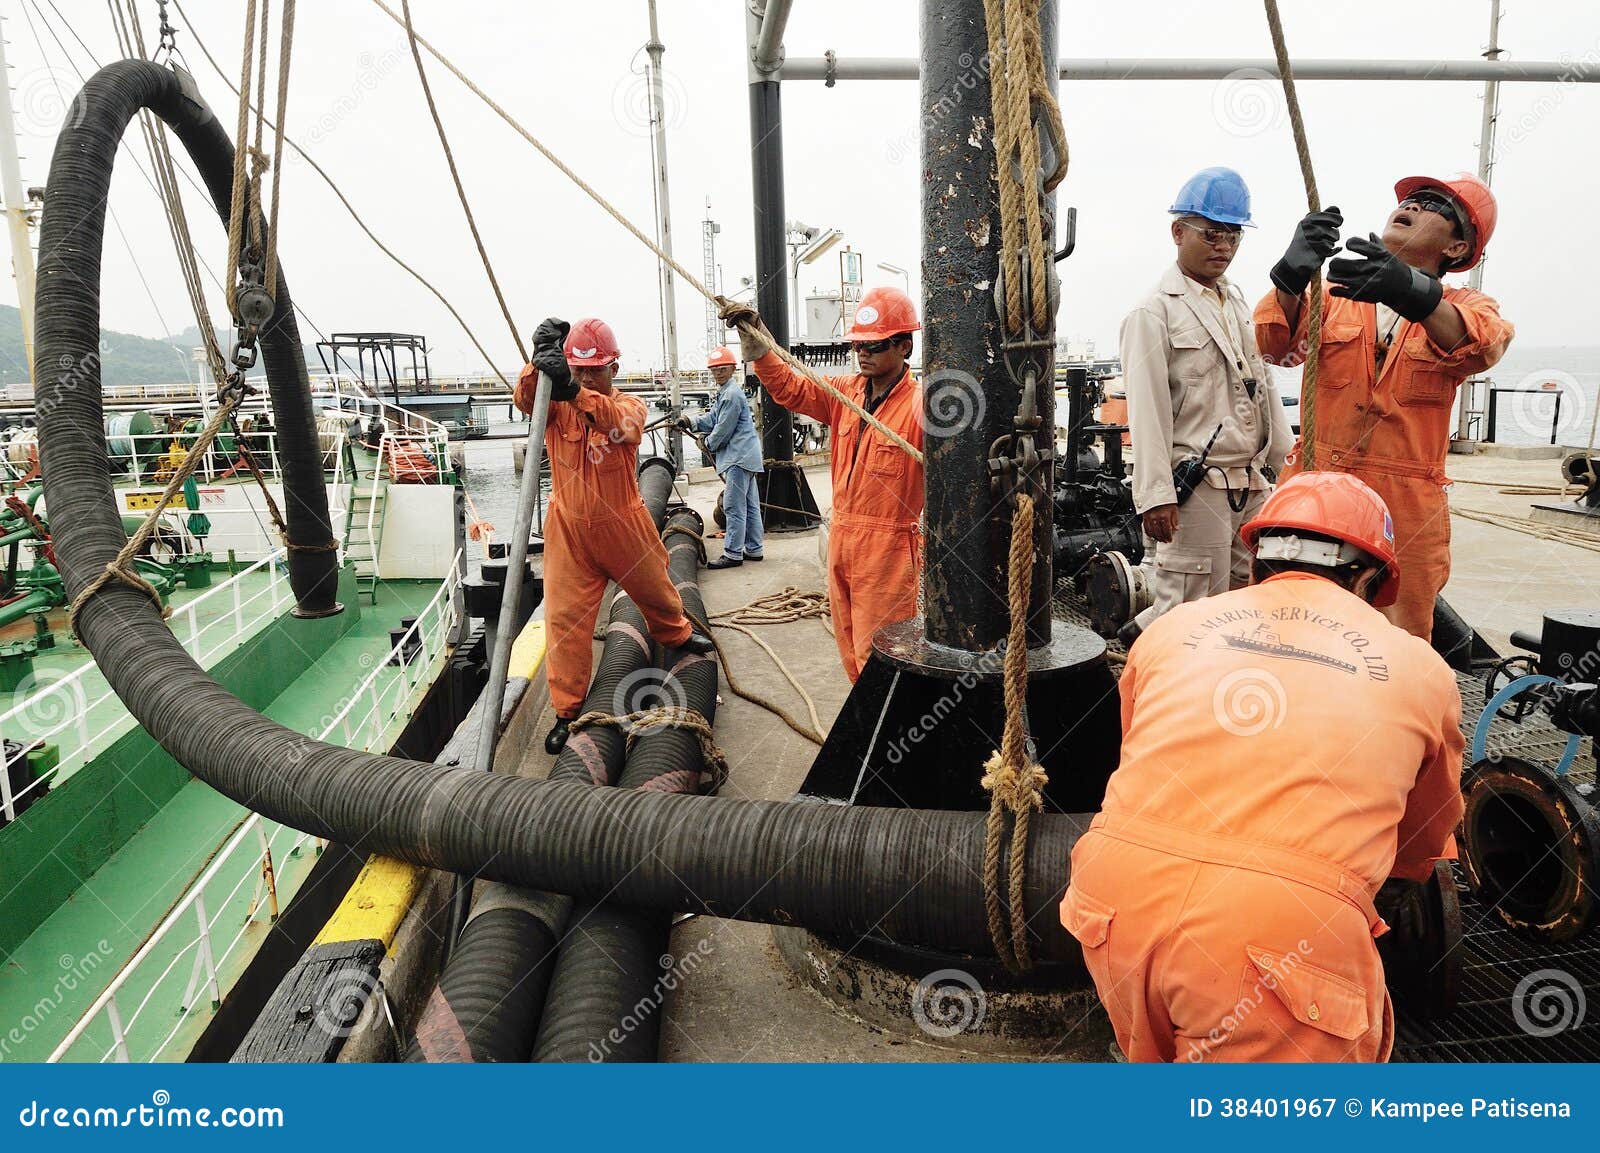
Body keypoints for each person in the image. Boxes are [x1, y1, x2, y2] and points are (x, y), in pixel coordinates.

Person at [1060, 471, 1465, 1063]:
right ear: (1371, 579)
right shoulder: (1422, 670)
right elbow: (1424, 834)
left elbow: (1134, 758)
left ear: (1258, 562)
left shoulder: (1171, 631)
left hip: (1112, 905)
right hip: (1279, 937)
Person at [1255, 172, 1514, 640]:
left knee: (1397, 639)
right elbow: (1273, 347)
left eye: (1434, 206)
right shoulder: (1334, 298)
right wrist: (1290, 278)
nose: (1413, 206)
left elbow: (1480, 345)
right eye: (1412, 199)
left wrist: (1409, 291)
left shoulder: (1468, 305)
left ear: (1456, 248)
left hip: (1407, 508)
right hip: (1317, 481)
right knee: (1289, 623)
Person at [513, 317, 713, 754]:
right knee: (564, 623)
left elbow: (624, 427)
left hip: (623, 523)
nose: (586, 376)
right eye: (578, 369)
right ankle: (567, 712)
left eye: (594, 370)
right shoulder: (554, 406)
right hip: (568, 530)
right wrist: (536, 364)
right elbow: (526, 400)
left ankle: (676, 634)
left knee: (657, 589)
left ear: (613, 370)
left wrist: (574, 389)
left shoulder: (628, 406)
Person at [1119, 167, 1294, 645]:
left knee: (1245, 605)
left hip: (1250, 481)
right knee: (1189, 613)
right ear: (1178, 232)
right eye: (1212, 233)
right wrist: (1154, 494)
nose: (1224, 246)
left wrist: (1289, 464)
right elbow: (1147, 409)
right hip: (1198, 487)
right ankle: (1156, 685)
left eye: (1233, 235)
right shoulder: (1153, 312)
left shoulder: (1235, 302)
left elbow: (1263, 386)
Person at [719, 286, 923, 682]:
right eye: (858, 344)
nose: (862, 352)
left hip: (888, 549)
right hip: (842, 536)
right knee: (848, 645)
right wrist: (758, 341)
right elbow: (789, 388)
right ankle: (868, 729)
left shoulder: (920, 406)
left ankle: (883, 738)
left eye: (875, 345)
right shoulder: (845, 393)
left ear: (904, 347)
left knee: (880, 654)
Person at [678, 346, 764, 568]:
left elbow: (723, 430)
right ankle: (754, 549)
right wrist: (691, 422)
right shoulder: (727, 392)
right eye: (715, 369)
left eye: (722, 369)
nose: (718, 373)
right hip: (747, 457)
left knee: (734, 506)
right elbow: (713, 418)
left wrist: (706, 443)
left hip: (738, 457)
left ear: (732, 369)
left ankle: (733, 554)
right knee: (750, 505)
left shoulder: (731, 395)